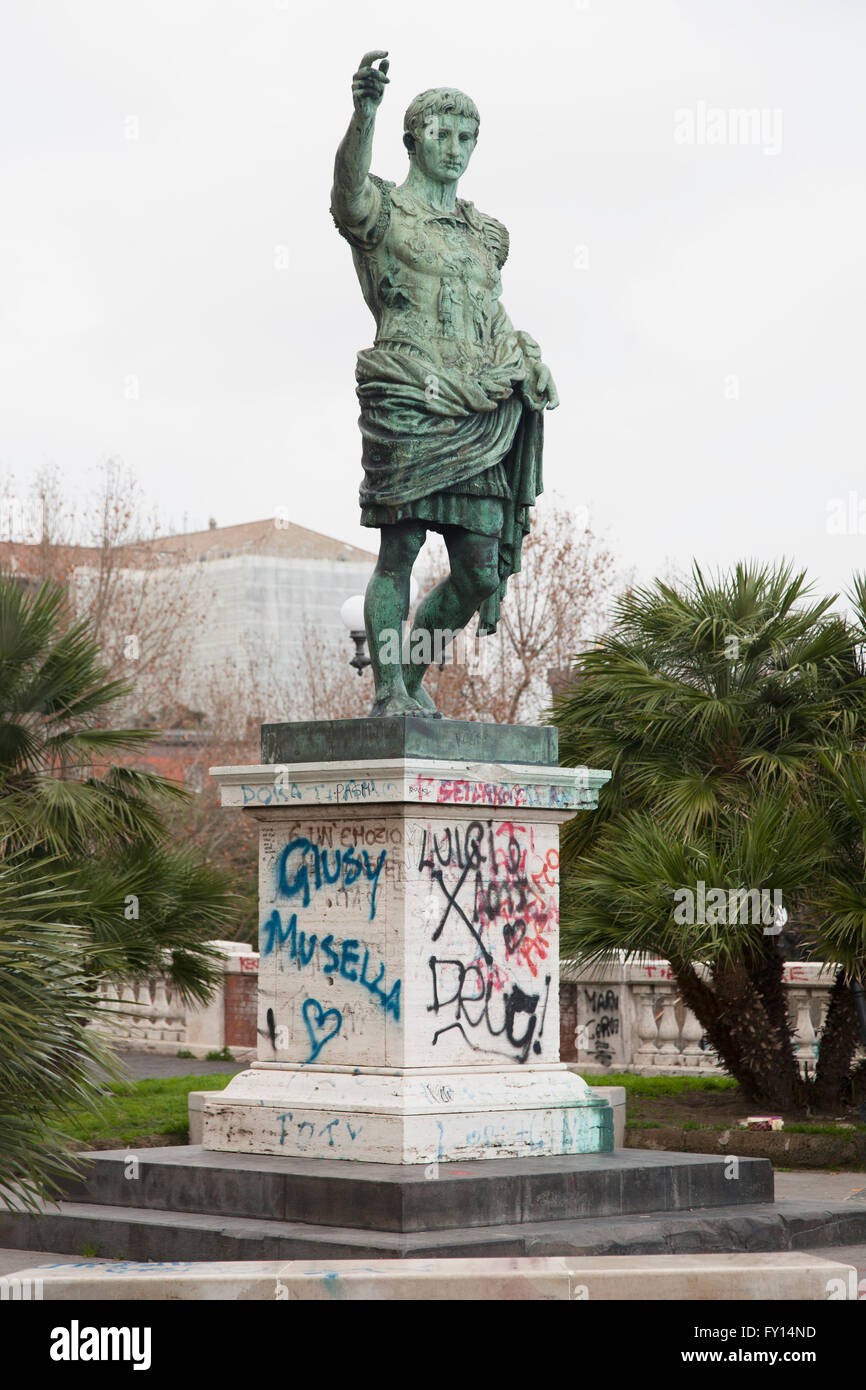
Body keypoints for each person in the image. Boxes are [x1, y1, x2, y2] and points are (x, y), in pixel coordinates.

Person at [331, 51, 559, 717]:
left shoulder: (487, 235)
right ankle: (387, 694)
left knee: (478, 572)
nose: (456, 149)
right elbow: (345, 191)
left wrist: (526, 353)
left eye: (468, 138)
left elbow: (491, 315)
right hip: (407, 392)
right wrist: (363, 112)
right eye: (443, 135)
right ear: (414, 138)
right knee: (399, 549)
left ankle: (409, 675)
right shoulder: (382, 212)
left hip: (479, 406)